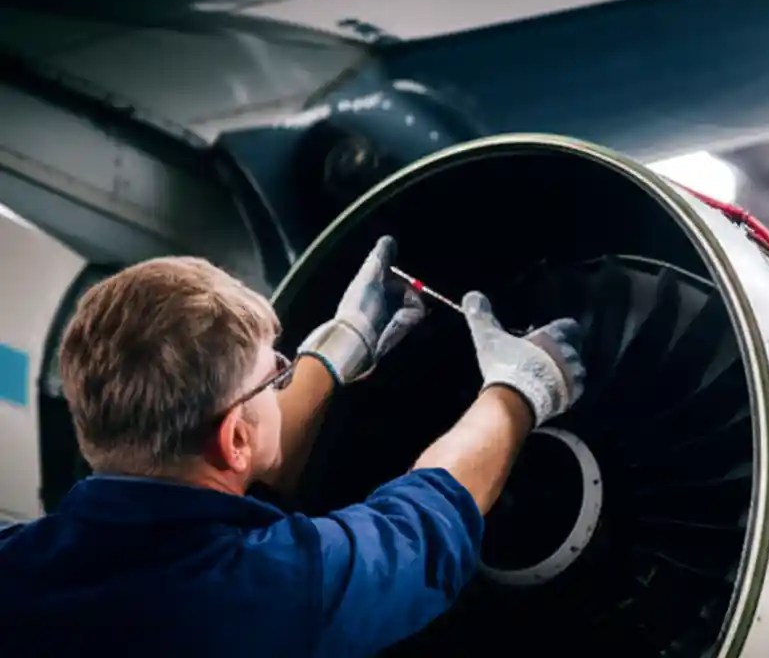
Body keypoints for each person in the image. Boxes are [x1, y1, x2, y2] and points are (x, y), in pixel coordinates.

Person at [0, 235, 586, 657]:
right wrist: (519, 389)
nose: (285, 378)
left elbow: (228, 470)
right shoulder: (258, 595)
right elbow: (422, 527)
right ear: (234, 439)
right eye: (274, 376)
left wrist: (330, 357)